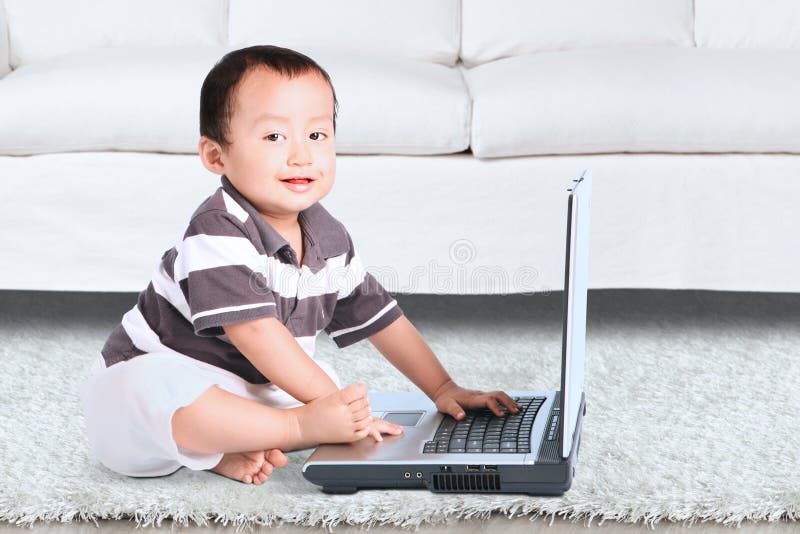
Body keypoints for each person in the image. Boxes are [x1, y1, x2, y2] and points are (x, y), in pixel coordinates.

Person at [80, 45, 522, 485]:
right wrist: (322, 415)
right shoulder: (217, 229)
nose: (301, 156)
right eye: (275, 137)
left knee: (320, 379)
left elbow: (382, 319)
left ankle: (225, 448)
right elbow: (256, 334)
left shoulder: (327, 236)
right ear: (216, 156)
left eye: (317, 135)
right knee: (158, 388)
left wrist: (443, 390)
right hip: (138, 402)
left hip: (243, 390)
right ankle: (282, 431)